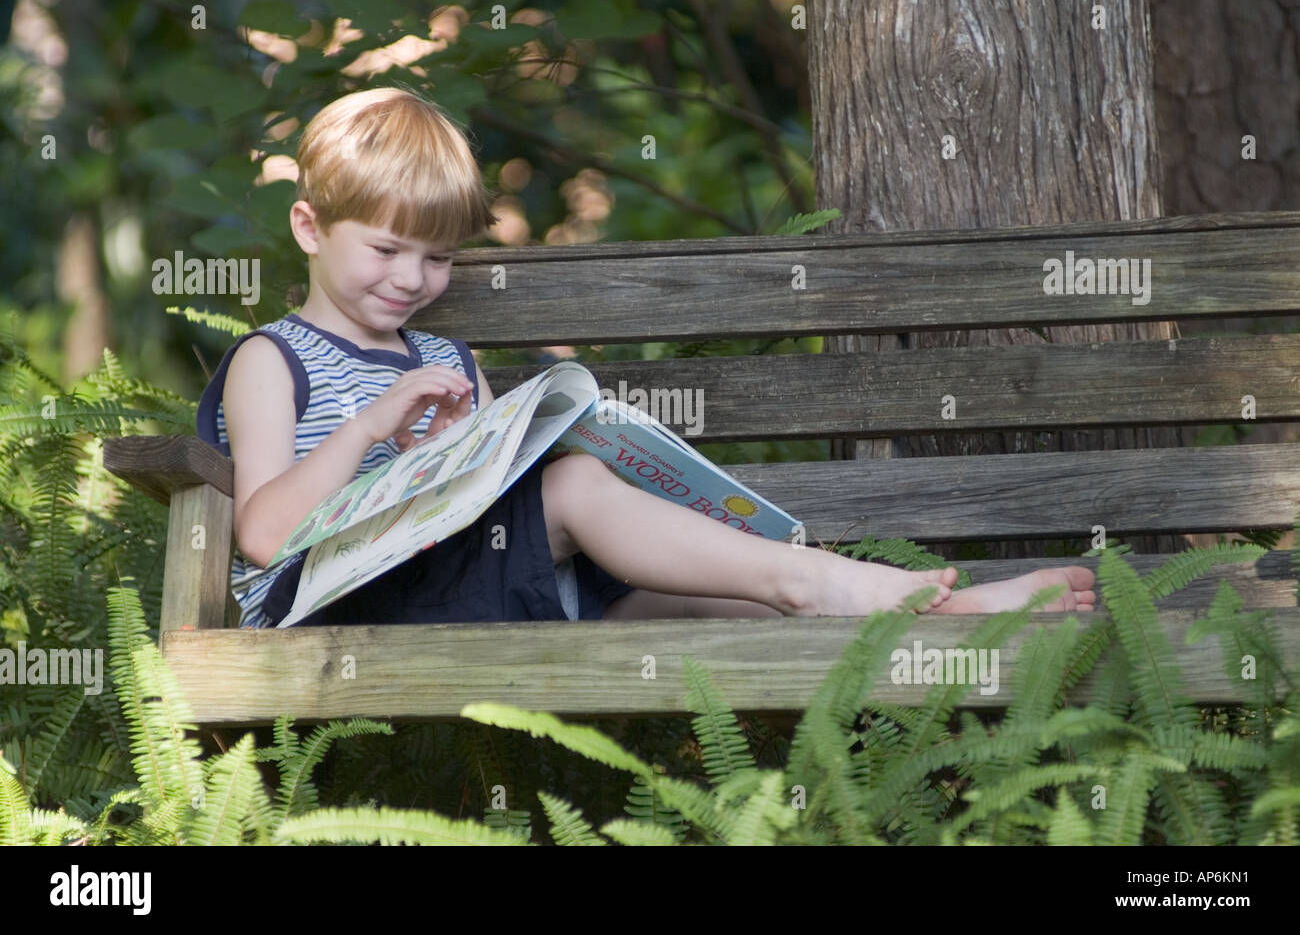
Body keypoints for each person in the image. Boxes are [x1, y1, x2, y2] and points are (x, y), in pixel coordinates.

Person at [197, 86, 1096, 630]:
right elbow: (266, 534)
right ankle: (840, 584)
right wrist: (372, 425)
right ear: (309, 227)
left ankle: (941, 616)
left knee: (701, 600)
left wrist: (465, 446)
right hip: (341, 607)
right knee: (573, 493)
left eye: (437, 258)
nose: (412, 278)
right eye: (386, 250)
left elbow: (465, 493)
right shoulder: (274, 362)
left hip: (470, 582)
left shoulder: (442, 354)